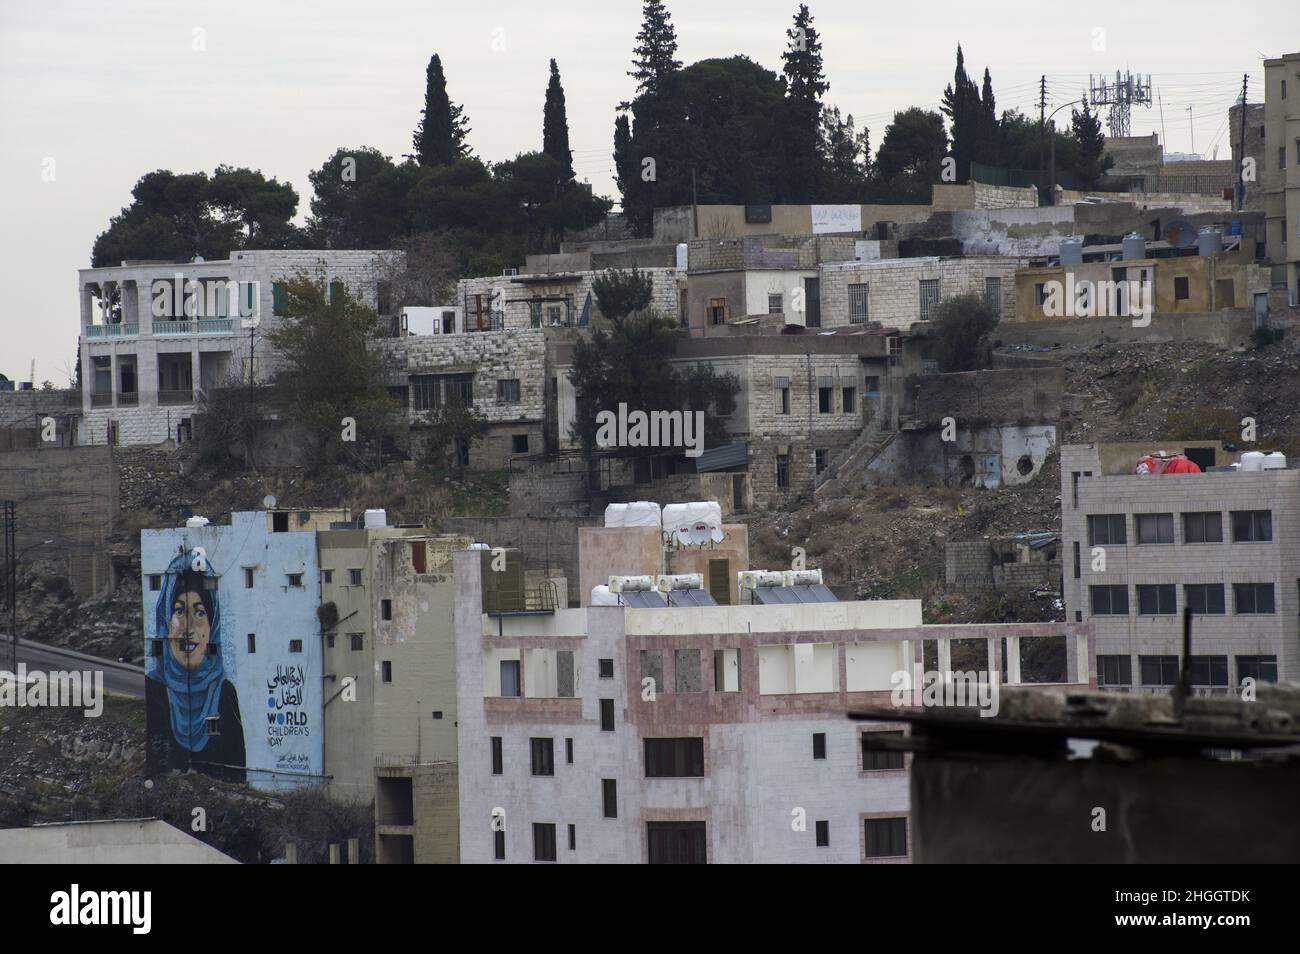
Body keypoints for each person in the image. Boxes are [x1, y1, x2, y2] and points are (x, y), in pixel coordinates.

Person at [145, 551, 246, 782]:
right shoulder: (155, 688)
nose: (188, 627)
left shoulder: (224, 694)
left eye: (200, 613)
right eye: (179, 611)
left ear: (213, 626)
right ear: (166, 622)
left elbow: (237, 775)